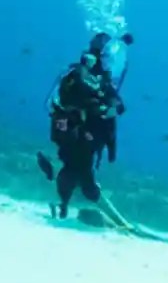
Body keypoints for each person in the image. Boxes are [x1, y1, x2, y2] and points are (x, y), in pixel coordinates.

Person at [37, 32, 132, 219]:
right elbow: (77, 99)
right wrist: (102, 108)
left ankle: (62, 203)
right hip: (77, 133)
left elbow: (115, 106)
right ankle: (67, 204)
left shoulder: (95, 78)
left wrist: (109, 109)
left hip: (80, 134)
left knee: (76, 170)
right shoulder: (81, 75)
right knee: (81, 175)